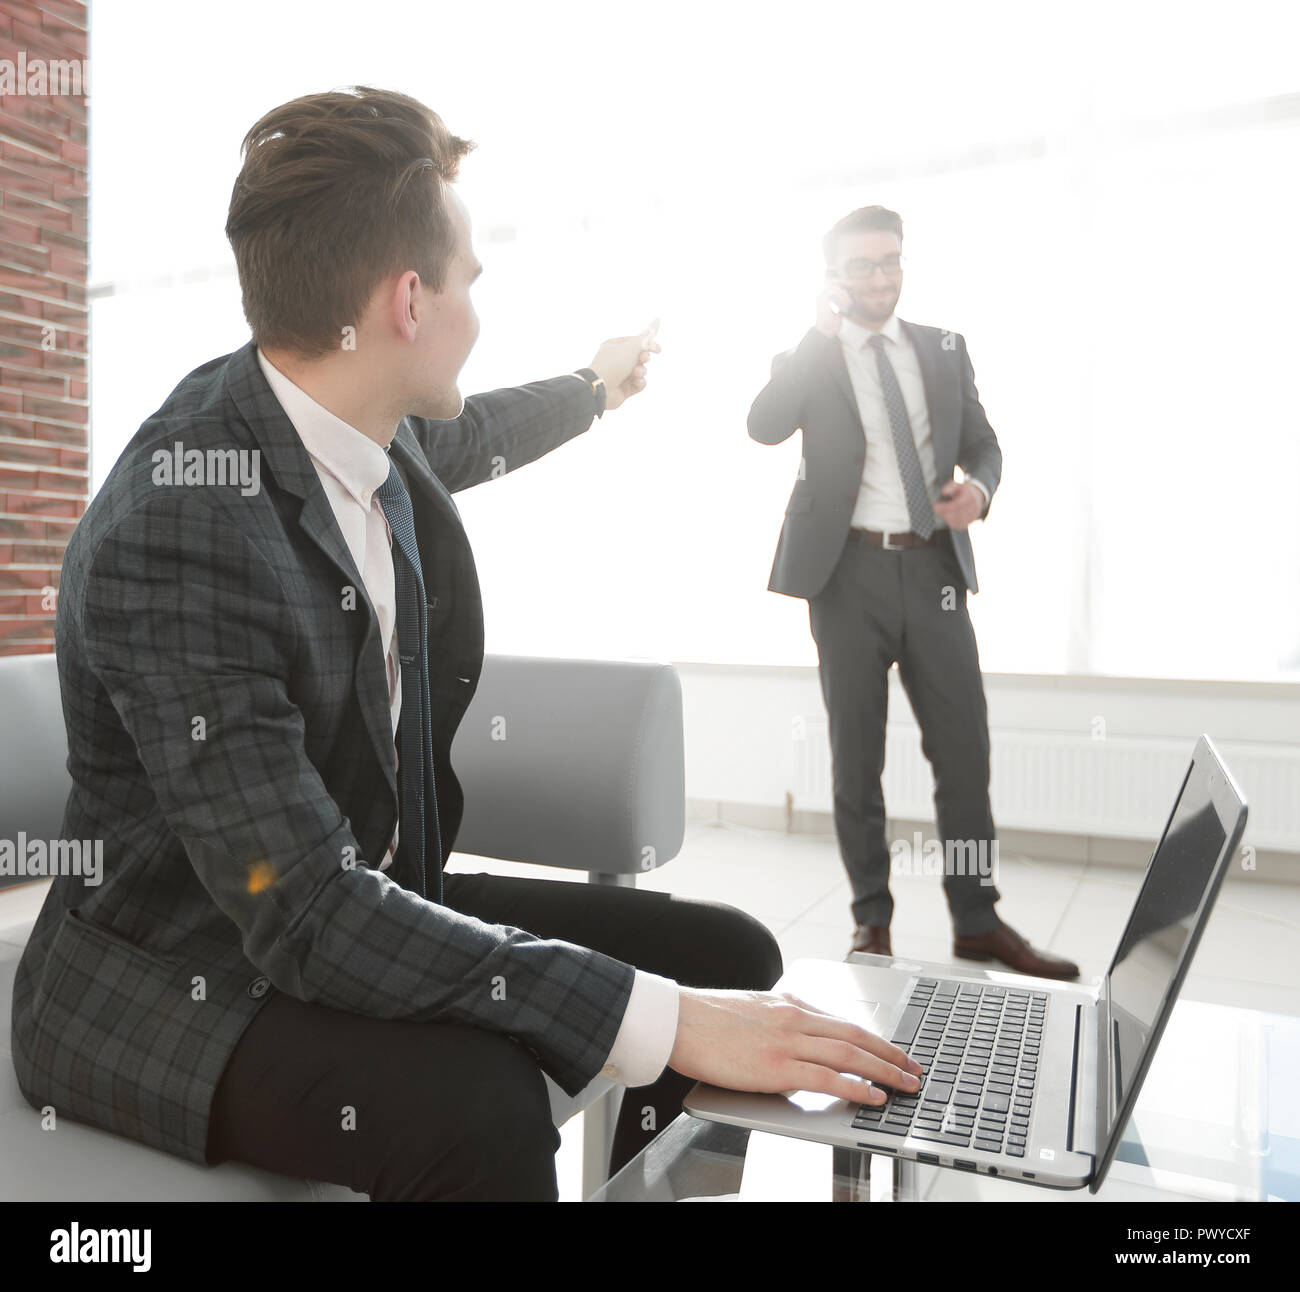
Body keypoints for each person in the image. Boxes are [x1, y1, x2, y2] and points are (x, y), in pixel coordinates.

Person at [9, 89, 924, 1203]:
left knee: (724, 955)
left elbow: (476, 430)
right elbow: (297, 909)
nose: (480, 308)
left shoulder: (352, 414)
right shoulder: (184, 523)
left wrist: (596, 387)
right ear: (407, 300)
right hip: (182, 971)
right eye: (472, 281)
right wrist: (663, 1023)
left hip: (345, 896)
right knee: (478, 1102)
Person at [748, 204, 1079, 981]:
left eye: (891, 261)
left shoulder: (941, 348)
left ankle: (975, 918)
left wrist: (982, 493)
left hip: (933, 572)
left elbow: (986, 444)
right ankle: (872, 921)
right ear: (834, 275)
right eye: (862, 265)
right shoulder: (808, 355)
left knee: (964, 754)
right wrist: (815, 333)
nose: (880, 277)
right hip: (847, 574)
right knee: (855, 758)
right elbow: (763, 425)